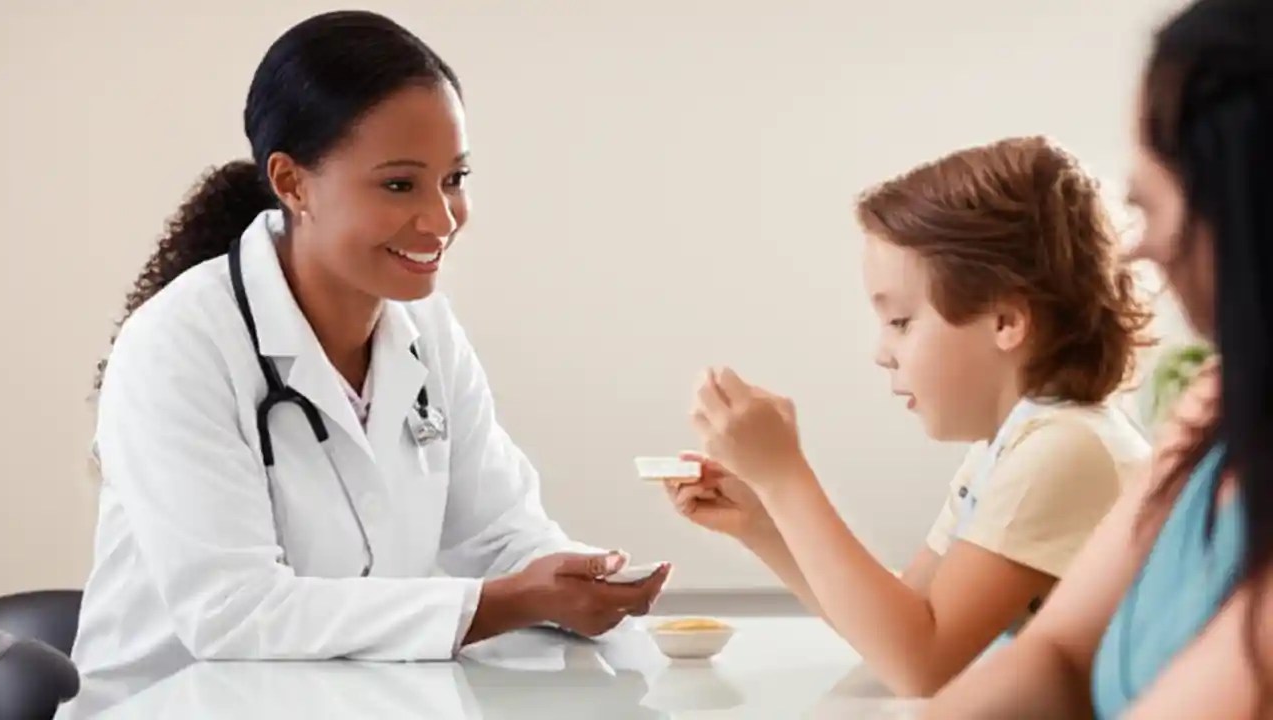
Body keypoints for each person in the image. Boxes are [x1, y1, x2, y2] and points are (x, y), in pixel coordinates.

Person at [72, 10, 668, 690]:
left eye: (455, 178)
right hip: (173, 705)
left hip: (349, 699)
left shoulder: (425, 331)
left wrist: (585, 576)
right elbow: (234, 613)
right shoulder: (178, 346)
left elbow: (502, 532)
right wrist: (509, 602)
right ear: (293, 184)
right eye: (399, 184)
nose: (442, 220)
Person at [666, 136, 1153, 696]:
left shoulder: (1065, 447)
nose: (882, 351)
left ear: (1005, 322)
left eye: (900, 322)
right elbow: (898, 620)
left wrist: (785, 478)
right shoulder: (1011, 444)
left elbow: (920, 663)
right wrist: (763, 524)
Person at [927, 0, 1273, 717]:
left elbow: (920, 648)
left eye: (1151, 208)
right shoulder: (1218, 399)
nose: (1138, 246)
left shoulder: (1063, 444)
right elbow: (1053, 656)